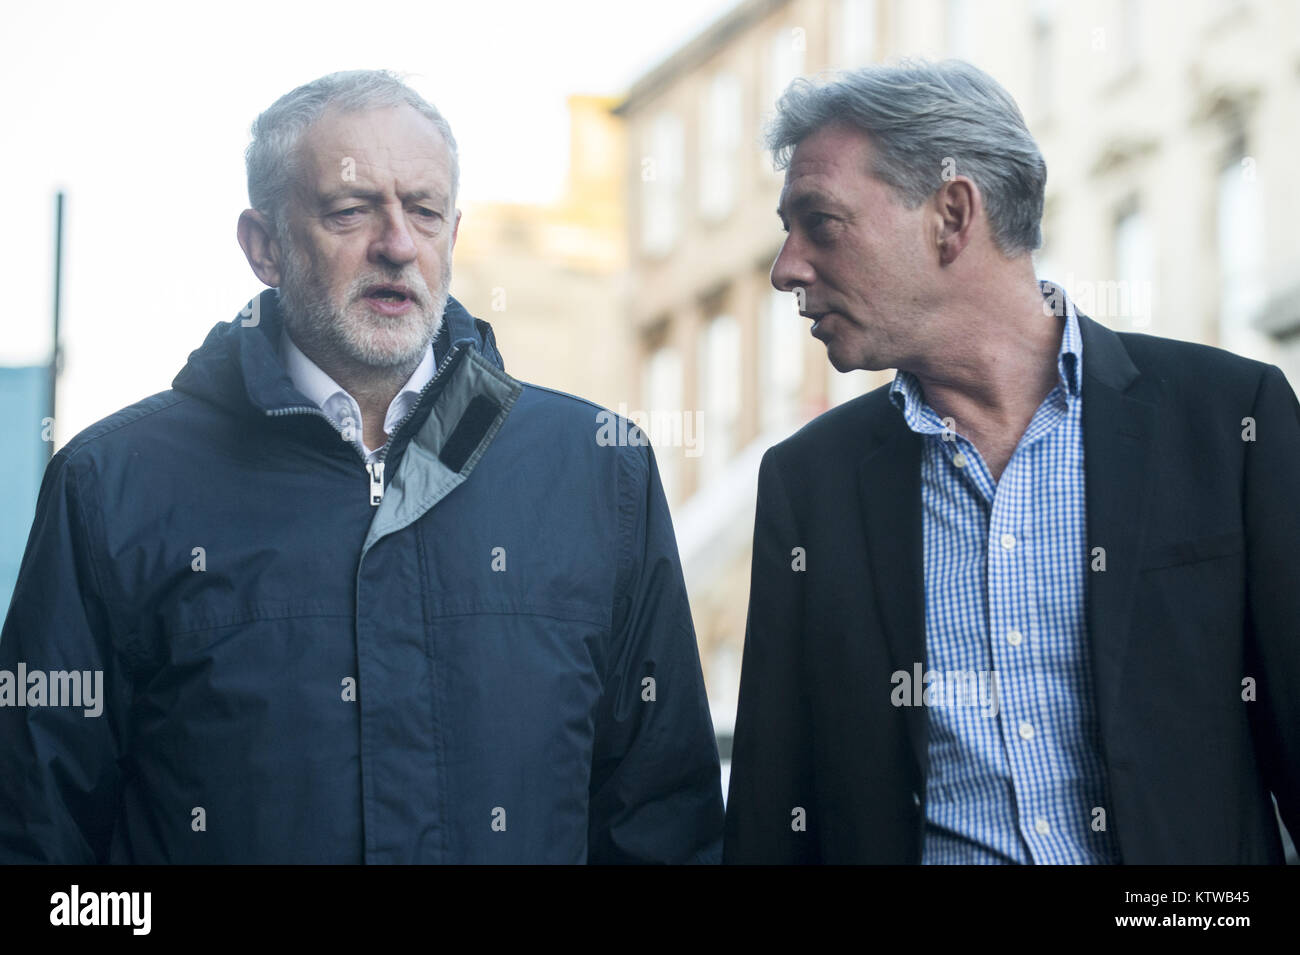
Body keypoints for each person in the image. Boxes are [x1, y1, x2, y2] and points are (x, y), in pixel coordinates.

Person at [0, 70, 723, 864]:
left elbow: (662, 820)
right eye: (350, 211)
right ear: (264, 245)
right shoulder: (111, 486)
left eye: (424, 210)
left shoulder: (597, 471)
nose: (397, 244)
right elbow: (40, 833)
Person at [723, 60, 1299, 864]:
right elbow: (769, 812)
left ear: (951, 215)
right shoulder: (808, 483)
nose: (787, 267)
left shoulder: (1231, 420)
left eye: (820, 222)